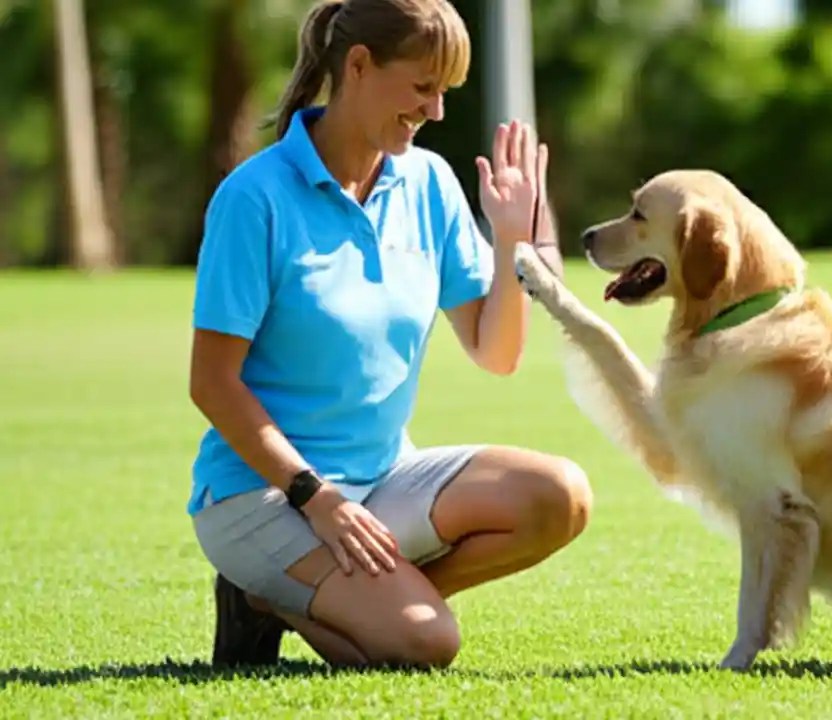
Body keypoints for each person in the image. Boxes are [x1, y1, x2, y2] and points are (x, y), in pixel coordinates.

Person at [186, 0, 590, 670]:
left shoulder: (428, 182)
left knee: (561, 495)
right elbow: (211, 383)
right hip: (261, 496)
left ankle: (321, 602)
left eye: (446, 93)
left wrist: (512, 237)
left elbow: (497, 352)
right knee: (429, 642)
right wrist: (317, 499)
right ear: (359, 66)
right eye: (423, 87)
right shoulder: (254, 197)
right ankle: (258, 595)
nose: (436, 112)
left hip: (383, 478)